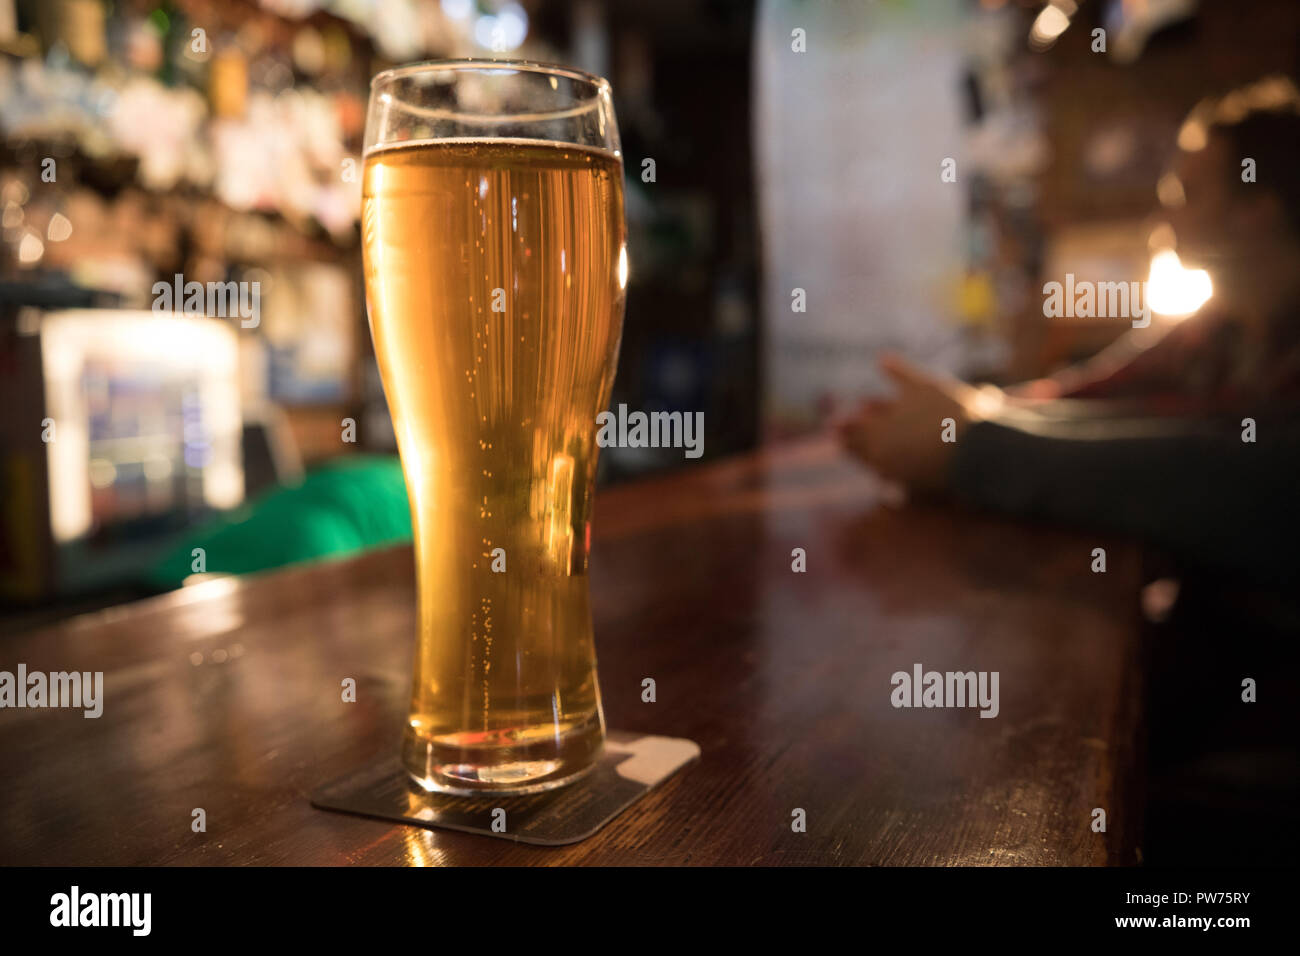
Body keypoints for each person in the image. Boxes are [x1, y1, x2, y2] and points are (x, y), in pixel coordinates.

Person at [838, 76, 1300, 584]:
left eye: (1188, 195)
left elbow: (1233, 476)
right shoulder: (1215, 334)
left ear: (1258, 213)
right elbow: (1088, 397)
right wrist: (967, 414)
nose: (1162, 221)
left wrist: (970, 445)